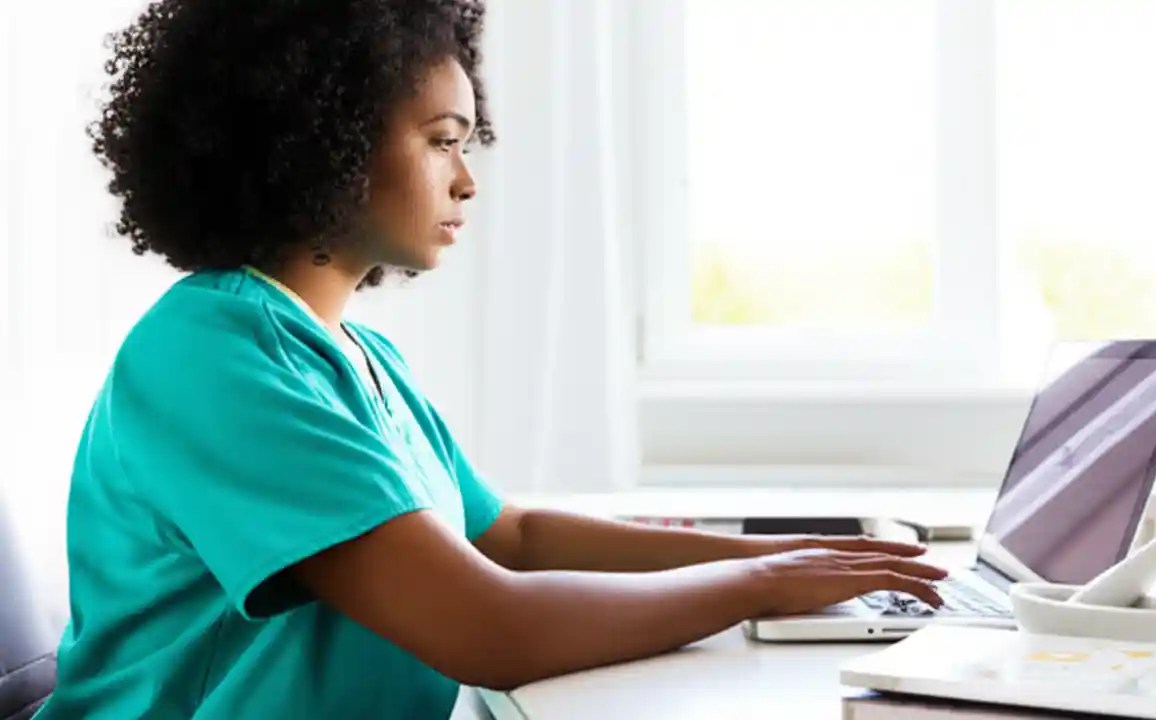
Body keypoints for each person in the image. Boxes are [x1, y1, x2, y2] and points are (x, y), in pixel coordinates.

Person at [35, 1, 947, 717]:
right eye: (441, 141)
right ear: (324, 138)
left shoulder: (356, 354)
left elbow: (505, 536)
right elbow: (486, 628)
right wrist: (756, 583)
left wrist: (795, 556)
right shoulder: (215, 357)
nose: (467, 179)